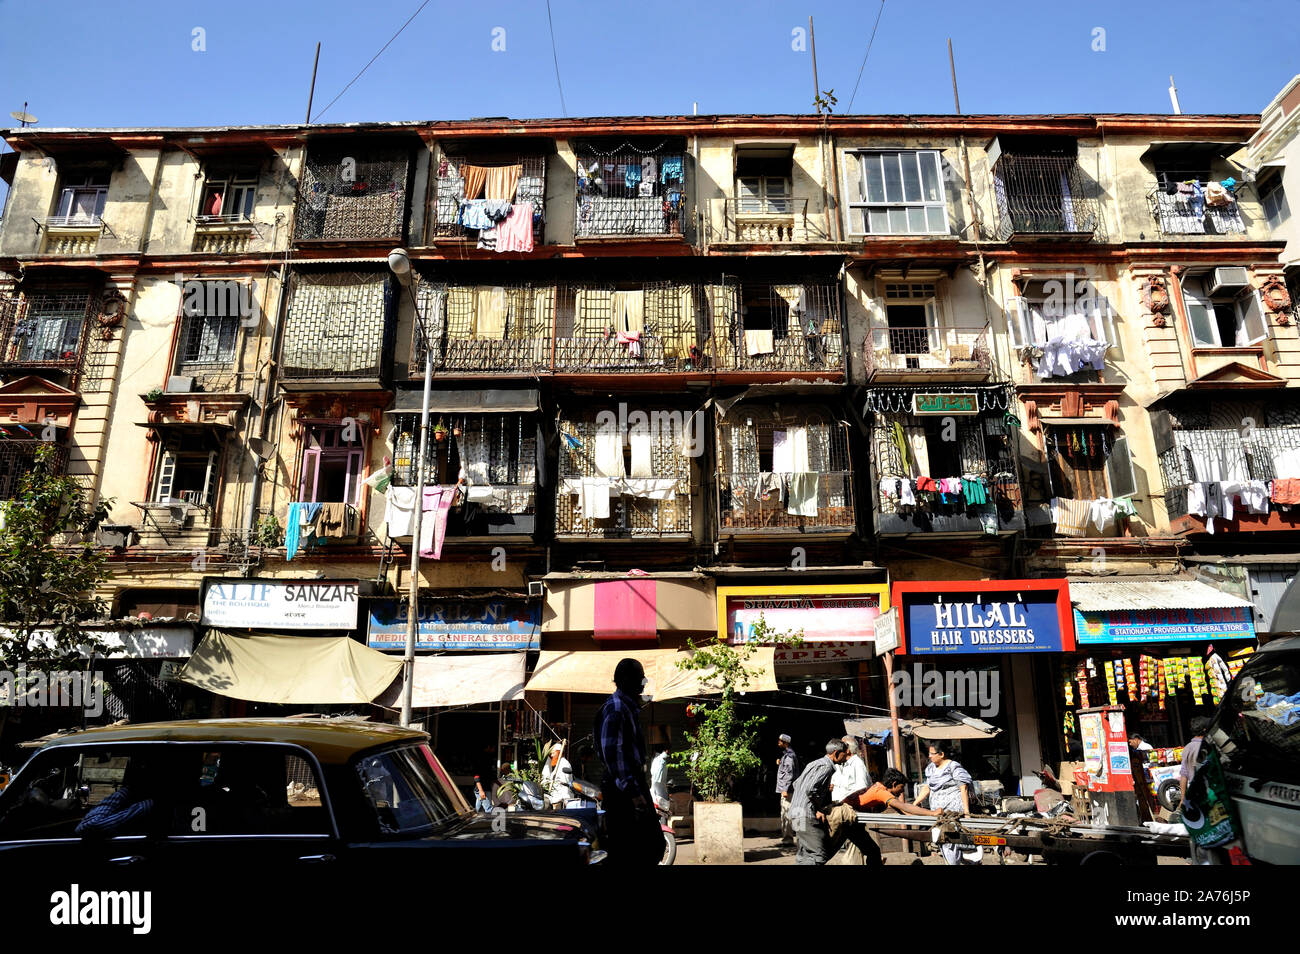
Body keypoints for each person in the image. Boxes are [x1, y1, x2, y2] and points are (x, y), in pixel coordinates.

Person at [594, 658, 662, 866]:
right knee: (632, 851)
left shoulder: (627, 708)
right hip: (622, 793)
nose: (642, 685)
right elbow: (615, 756)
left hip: (628, 787)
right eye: (639, 680)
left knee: (646, 848)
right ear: (625, 681)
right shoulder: (616, 709)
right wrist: (634, 794)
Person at [913, 742, 973, 816]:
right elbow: (927, 787)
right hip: (936, 812)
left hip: (953, 811)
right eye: (929, 753)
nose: (929, 756)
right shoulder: (931, 768)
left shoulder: (953, 767)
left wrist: (966, 812)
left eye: (932, 754)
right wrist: (915, 804)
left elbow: (964, 788)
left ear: (941, 754)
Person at [775, 733, 801, 846]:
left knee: (786, 814)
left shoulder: (789, 756)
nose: (778, 742)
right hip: (788, 789)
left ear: (785, 743)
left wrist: (784, 789)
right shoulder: (787, 755)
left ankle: (788, 839)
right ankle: (788, 838)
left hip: (788, 790)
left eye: (780, 741)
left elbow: (789, 773)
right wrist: (780, 763)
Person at [1178, 717, 1212, 804]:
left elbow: (1184, 775)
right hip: (1212, 793)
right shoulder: (1208, 745)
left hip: (1196, 795)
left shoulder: (1187, 747)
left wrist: (1182, 799)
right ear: (1205, 730)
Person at [541, 740, 574, 809]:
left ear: (559, 753)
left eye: (553, 753)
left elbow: (565, 784)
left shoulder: (564, 764)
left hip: (561, 801)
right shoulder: (558, 765)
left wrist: (564, 801)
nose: (552, 755)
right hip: (555, 799)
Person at [650, 742, 670, 814]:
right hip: (657, 786)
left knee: (661, 807)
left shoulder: (660, 757)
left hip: (659, 786)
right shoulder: (655, 759)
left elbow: (667, 751)